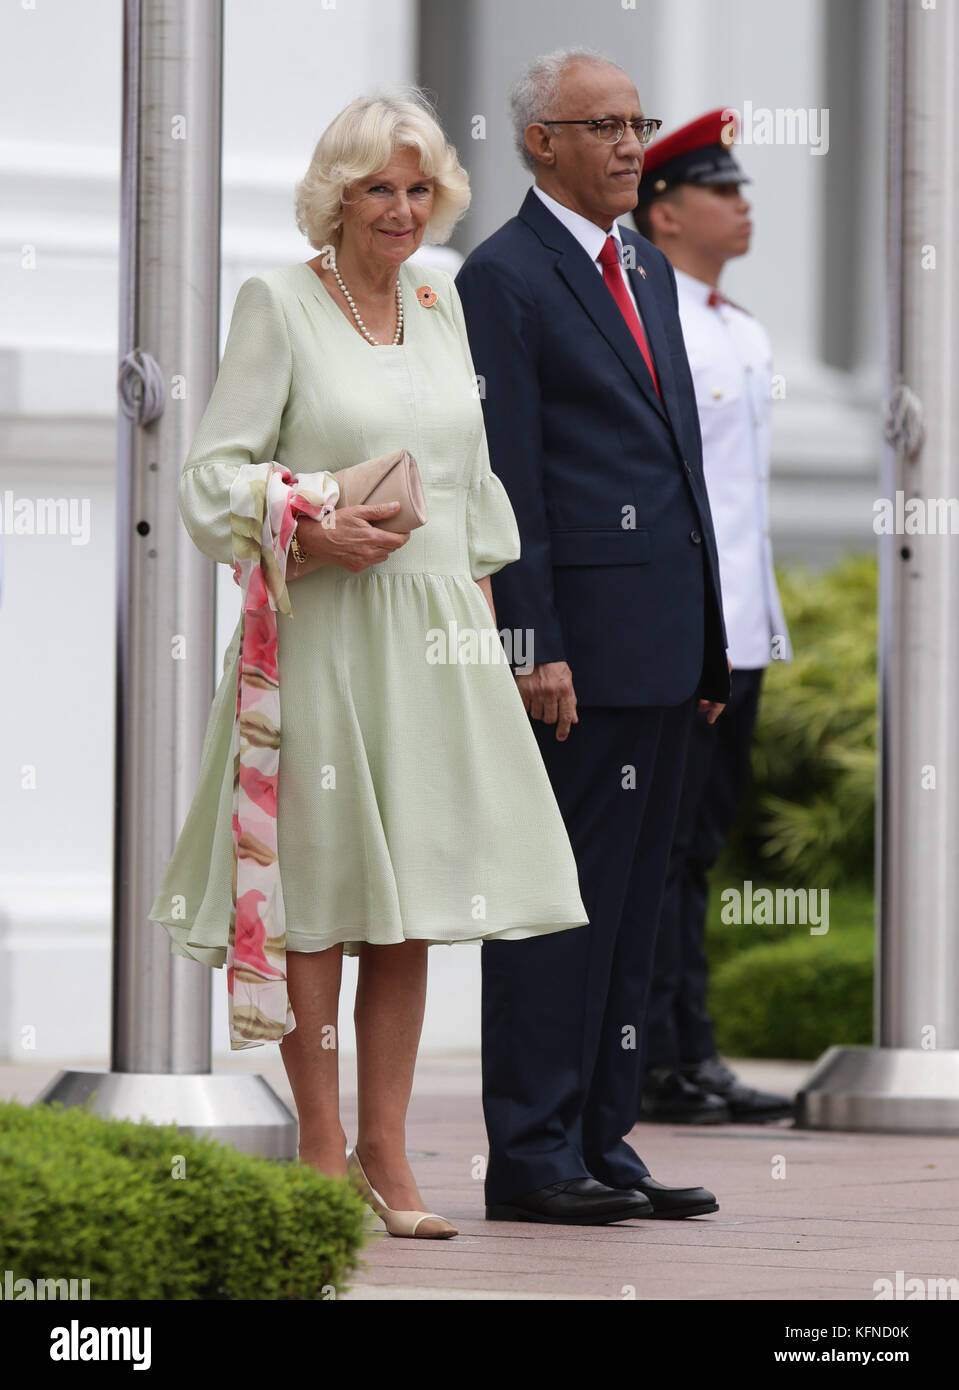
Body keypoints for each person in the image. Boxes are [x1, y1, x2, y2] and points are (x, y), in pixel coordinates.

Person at [148, 89, 589, 1240]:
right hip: (327, 635)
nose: (400, 210)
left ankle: (390, 1157)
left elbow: (472, 494)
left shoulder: (441, 298)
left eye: (416, 189)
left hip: (438, 640)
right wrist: (308, 519)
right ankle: (322, 1149)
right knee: (323, 905)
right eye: (376, 189)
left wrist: (494, 650)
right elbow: (209, 479)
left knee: (413, 913)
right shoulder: (279, 302)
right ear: (335, 197)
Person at [456, 49, 730, 1225]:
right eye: (602, 126)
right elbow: (503, 473)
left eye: (635, 123)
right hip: (573, 655)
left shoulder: (647, 270)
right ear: (540, 144)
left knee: (629, 912)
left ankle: (602, 1140)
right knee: (553, 907)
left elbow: (677, 468)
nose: (629, 145)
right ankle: (529, 1152)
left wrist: (711, 643)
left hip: (664, 646)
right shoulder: (503, 278)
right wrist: (532, 644)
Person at [633, 109, 794, 1124]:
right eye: (719, 190)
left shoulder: (739, 326)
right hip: (685, 634)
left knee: (697, 847)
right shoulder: (657, 321)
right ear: (663, 210)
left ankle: (691, 1049)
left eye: (740, 189)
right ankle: (651, 1058)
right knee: (658, 849)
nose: (741, 206)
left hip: (740, 628)